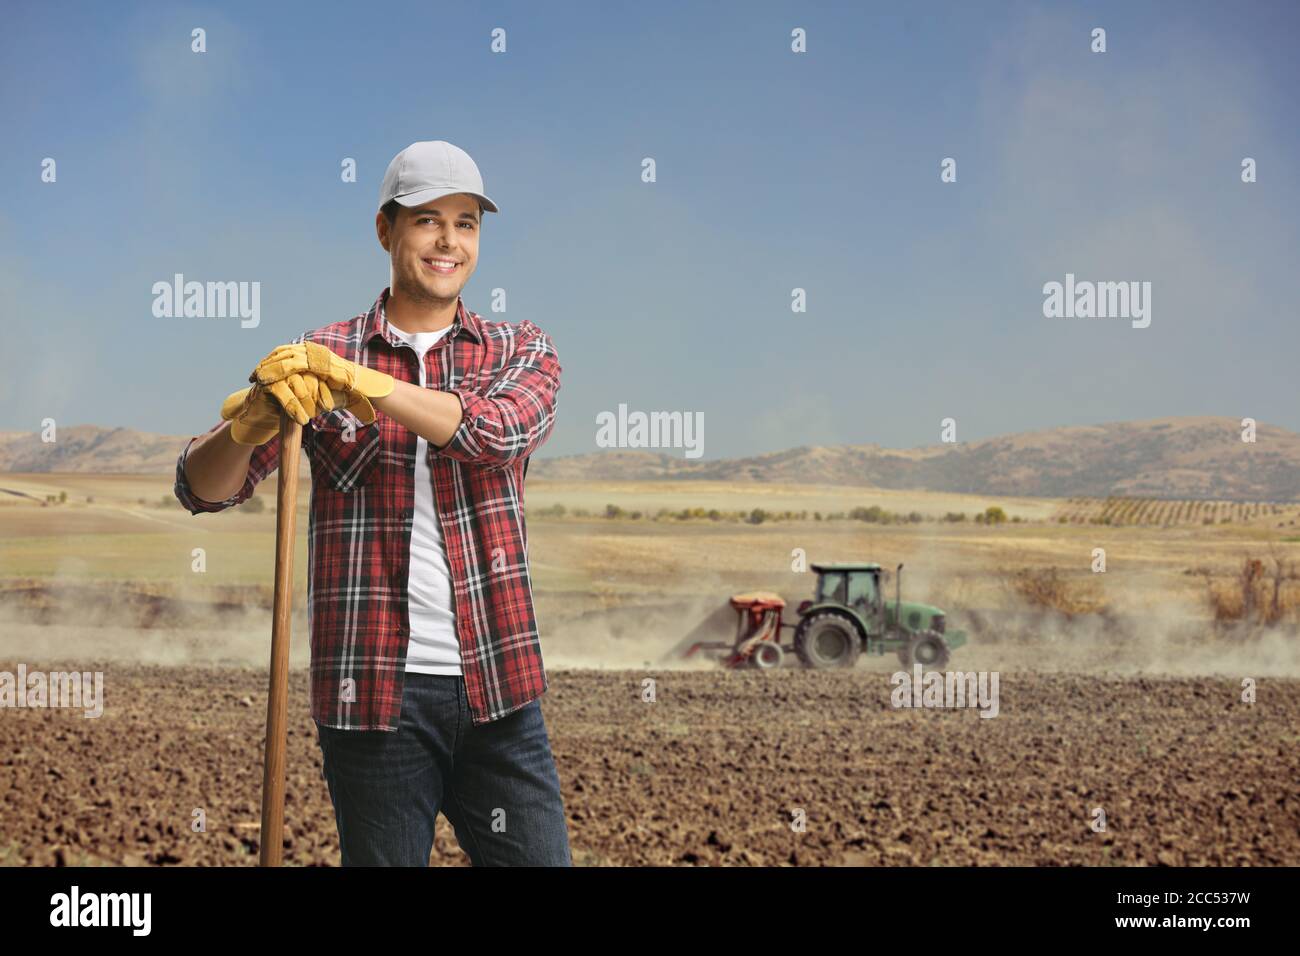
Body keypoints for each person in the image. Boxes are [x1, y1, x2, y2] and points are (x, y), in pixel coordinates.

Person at [173, 140, 570, 866]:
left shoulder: (520, 349)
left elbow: (495, 433)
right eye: (427, 220)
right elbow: (201, 489)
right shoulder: (314, 354)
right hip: (371, 698)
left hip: (499, 688)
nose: (449, 241)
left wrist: (365, 384)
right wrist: (251, 423)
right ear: (385, 230)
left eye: (467, 223)